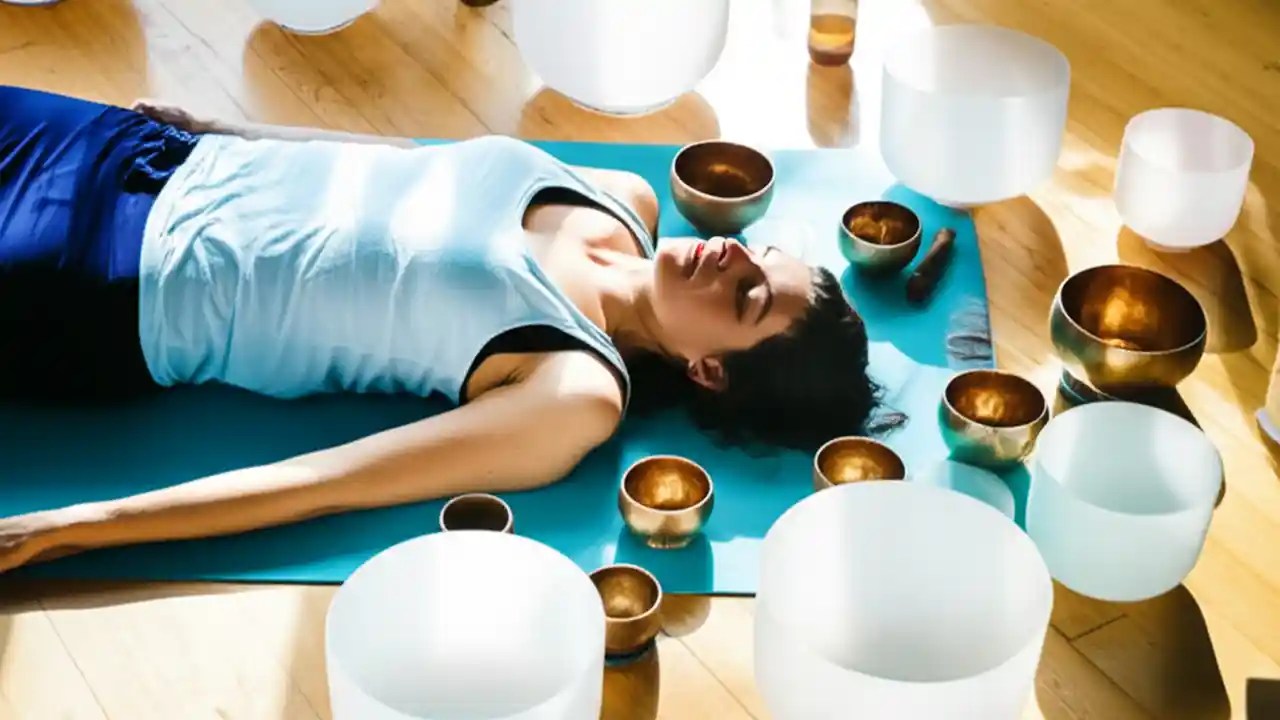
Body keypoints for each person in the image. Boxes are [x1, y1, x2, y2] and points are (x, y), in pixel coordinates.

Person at [0, 85, 899, 573]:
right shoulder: (620, 199)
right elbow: (395, 164)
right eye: (758, 257)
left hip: (105, 280)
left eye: (746, 301)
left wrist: (61, 530)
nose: (728, 260)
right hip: (137, 151)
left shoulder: (572, 389)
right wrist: (203, 124)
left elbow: (322, 483)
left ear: (708, 372)